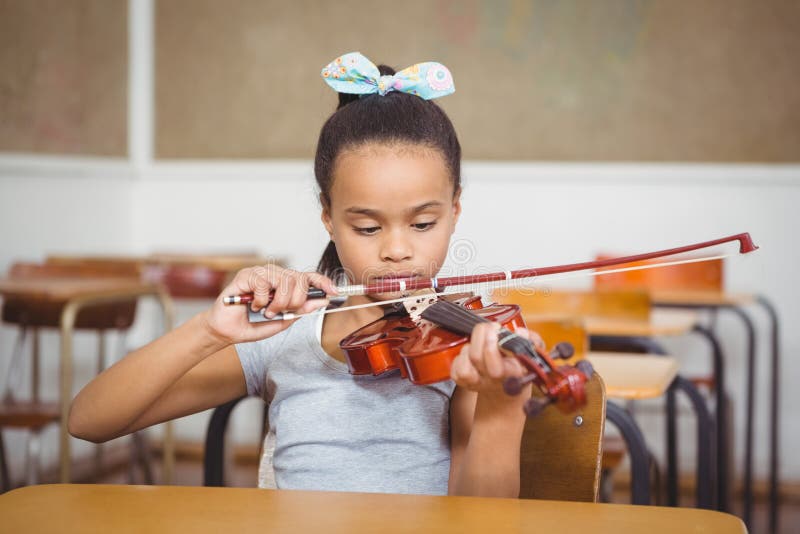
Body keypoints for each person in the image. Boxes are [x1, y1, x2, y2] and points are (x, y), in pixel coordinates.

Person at [69, 52, 540, 497]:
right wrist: (209, 330)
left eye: (422, 224)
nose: (397, 250)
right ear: (328, 218)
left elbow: (480, 517)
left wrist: (500, 408)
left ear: (455, 210)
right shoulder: (284, 338)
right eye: (367, 227)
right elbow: (90, 420)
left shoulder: (464, 353)